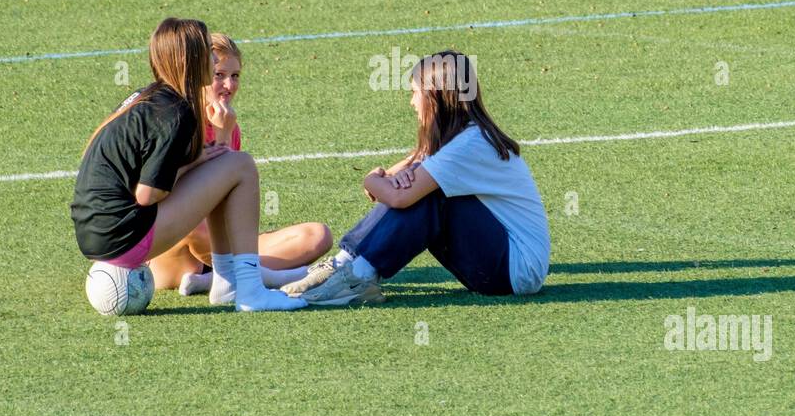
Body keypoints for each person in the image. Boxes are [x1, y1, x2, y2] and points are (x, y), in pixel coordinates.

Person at [70, 17, 305, 312]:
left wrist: (199, 159)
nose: (212, 57)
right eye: (207, 50)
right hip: (122, 239)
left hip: (98, 237)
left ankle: (227, 283)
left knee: (225, 166)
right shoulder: (176, 112)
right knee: (240, 164)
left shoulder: (152, 95)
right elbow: (146, 194)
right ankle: (251, 291)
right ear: (192, 58)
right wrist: (195, 161)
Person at [284, 50, 550, 305]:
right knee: (423, 185)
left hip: (515, 268)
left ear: (435, 96)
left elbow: (399, 196)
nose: (411, 102)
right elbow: (405, 170)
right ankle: (346, 266)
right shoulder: (460, 139)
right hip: (503, 267)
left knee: (430, 193)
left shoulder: (470, 145)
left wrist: (372, 180)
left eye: (415, 93)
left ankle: (355, 274)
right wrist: (387, 179)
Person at [146, 32, 333, 302]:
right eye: (219, 74)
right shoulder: (178, 122)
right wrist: (220, 139)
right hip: (172, 251)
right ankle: (257, 276)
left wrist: (224, 135)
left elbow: (225, 204)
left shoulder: (228, 122)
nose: (229, 85)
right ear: (197, 75)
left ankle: (215, 280)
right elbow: (182, 204)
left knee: (317, 236)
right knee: (197, 228)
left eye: (235, 76)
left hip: (216, 248)